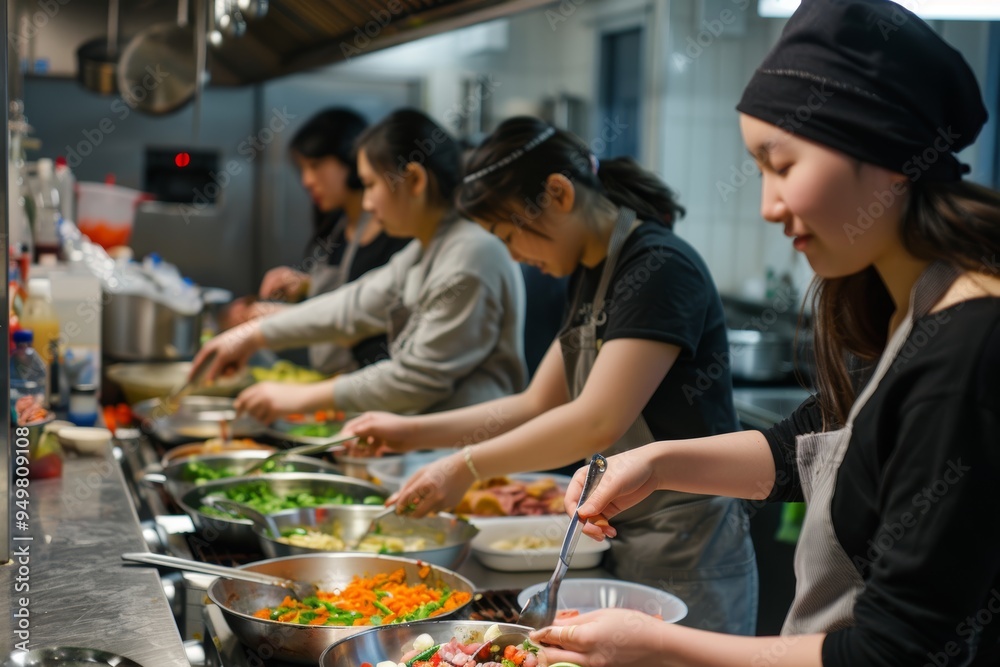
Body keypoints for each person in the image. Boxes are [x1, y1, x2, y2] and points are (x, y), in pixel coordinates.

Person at [533, 1, 1000, 665]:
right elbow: (809, 447)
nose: (767, 206)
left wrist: (657, 643)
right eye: (759, 172)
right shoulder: (903, 306)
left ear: (885, 150)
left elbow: (894, 652)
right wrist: (658, 464)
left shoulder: (967, 349)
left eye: (782, 166)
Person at [344, 116, 758, 634]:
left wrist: (465, 466)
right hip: (619, 533)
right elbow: (536, 402)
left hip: (687, 549)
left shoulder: (659, 267)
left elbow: (596, 421)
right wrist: (408, 432)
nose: (513, 255)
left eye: (509, 234)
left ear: (559, 194)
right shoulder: (590, 271)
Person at [193, 108, 527, 419]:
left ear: (414, 180)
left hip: (471, 453)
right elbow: (351, 307)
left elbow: (417, 379)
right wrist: (253, 335)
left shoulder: (470, 254)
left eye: (370, 185)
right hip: (427, 444)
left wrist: (300, 396)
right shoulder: (426, 248)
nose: (366, 202)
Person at [224, 107, 409, 374]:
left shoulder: (396, 236)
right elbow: (344, 300)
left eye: (315, 165)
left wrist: (269, 319)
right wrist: (303, 285)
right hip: (334, 379)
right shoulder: (336, 226)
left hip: (364, 382)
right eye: (301, 168)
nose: (306, 181)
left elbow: (361, 316)